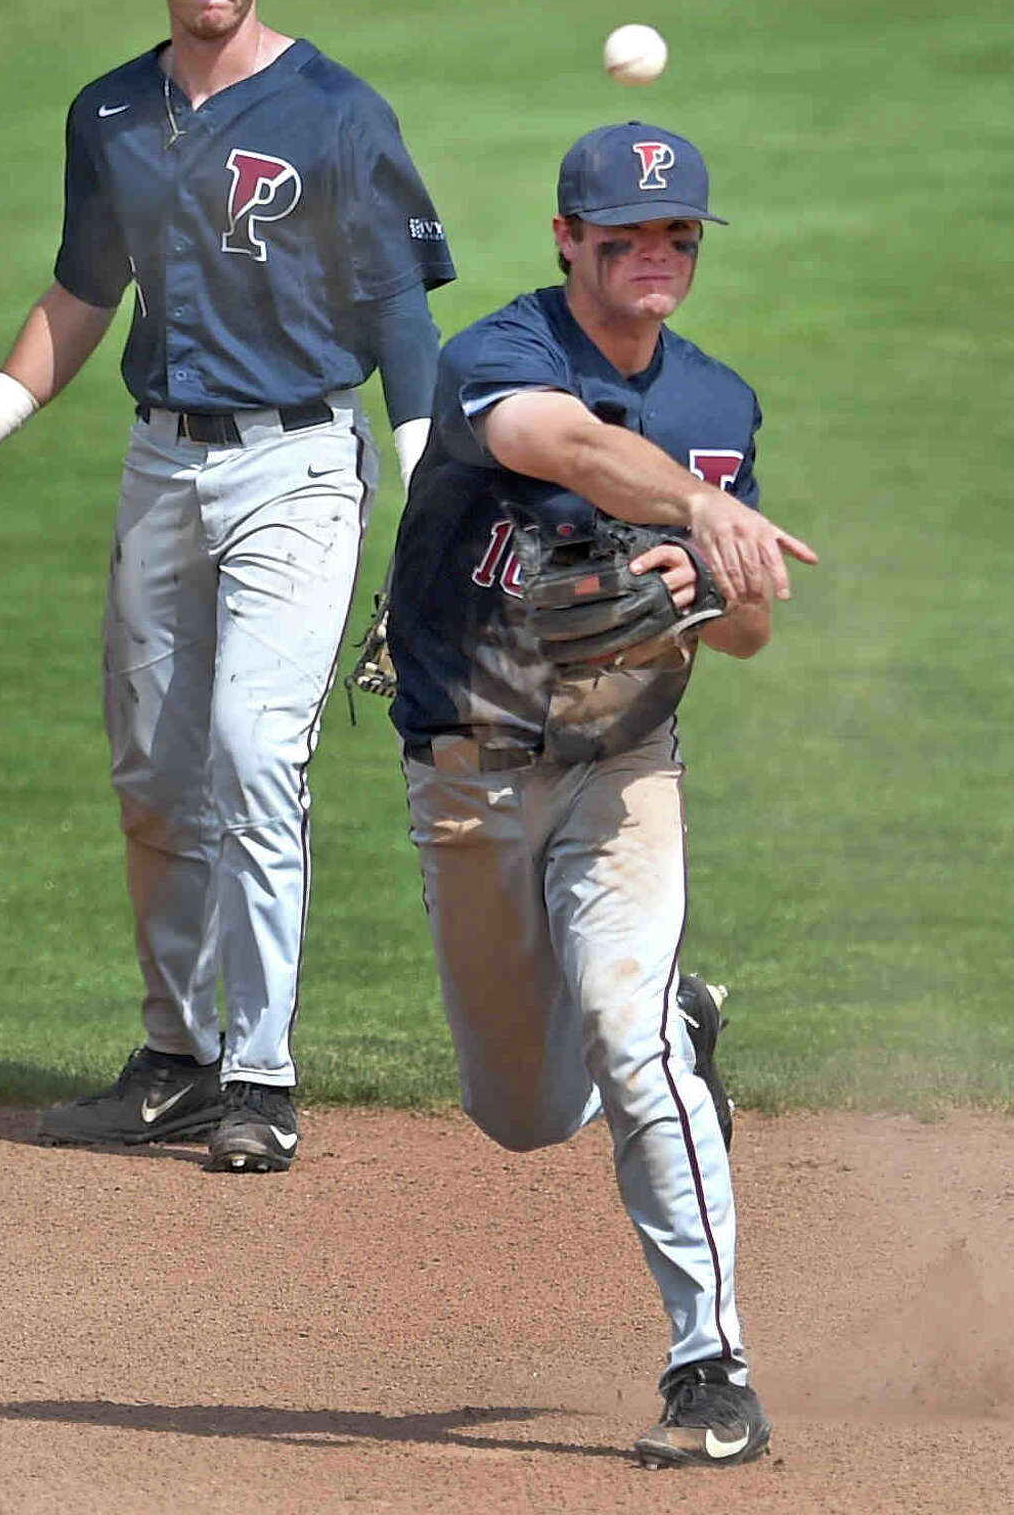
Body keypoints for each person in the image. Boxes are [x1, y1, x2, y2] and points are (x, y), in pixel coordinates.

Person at [0, 0, 454, 1173]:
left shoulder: (336, 114)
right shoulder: (109, 113)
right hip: (161, 471)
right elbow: (82, 296)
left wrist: (430, 506)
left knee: (254, 755)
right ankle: (175, 1060)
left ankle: (261, 1073)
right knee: (154, 771)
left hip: (301, 468)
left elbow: (398, 321)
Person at [386, 121, 817, 1466]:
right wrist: (694, 513)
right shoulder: (498, 356)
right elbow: (559, 445)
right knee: (520, 1114)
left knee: (631, 1046)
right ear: (567, 239)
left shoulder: (716, 401)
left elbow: (748, 633)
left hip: (626, 776)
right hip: (467, 767)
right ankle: (683, 1018)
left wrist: (713, 590)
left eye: (676, 234)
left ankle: (712, 1368)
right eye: (623, 236)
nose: (653, 256)